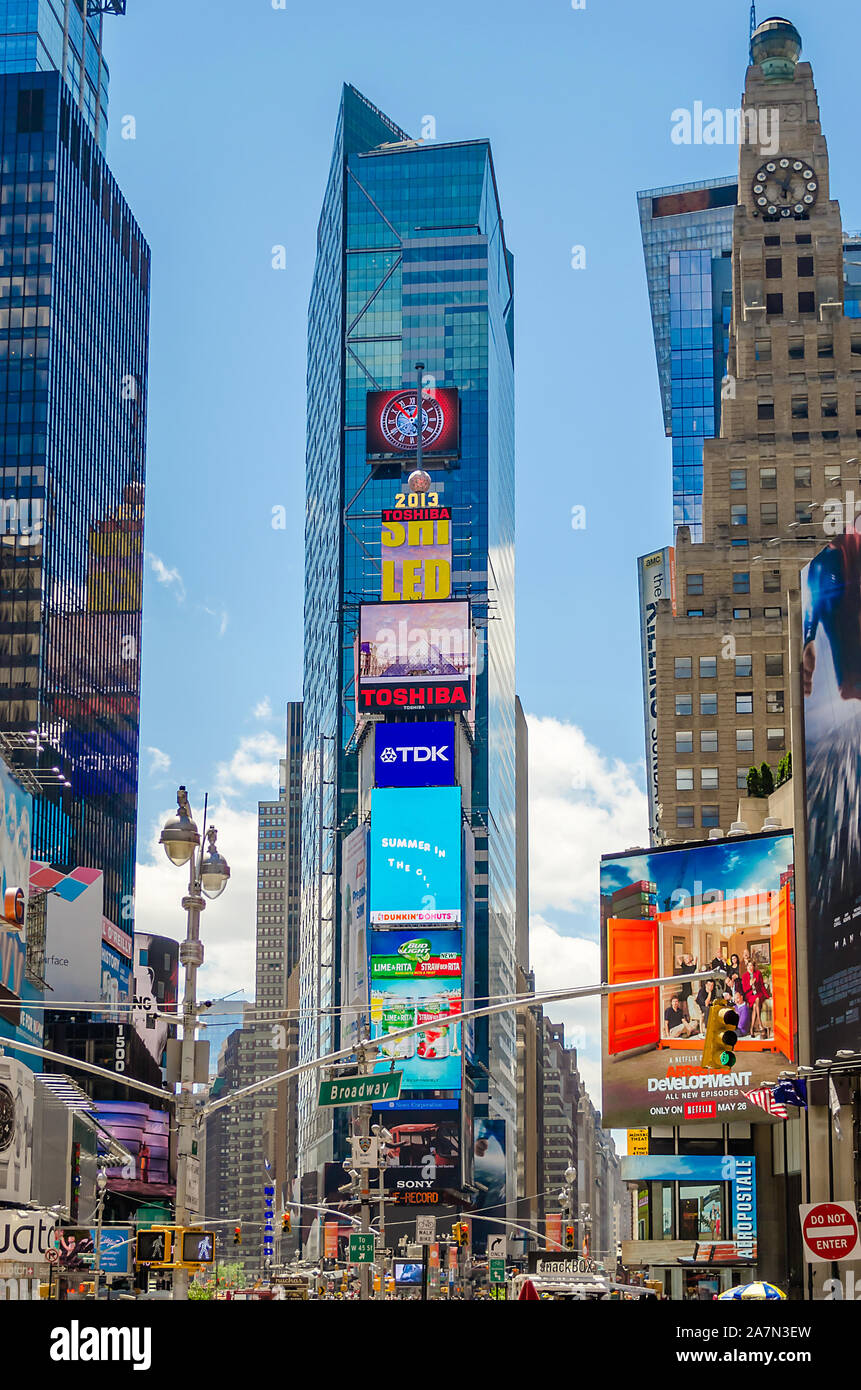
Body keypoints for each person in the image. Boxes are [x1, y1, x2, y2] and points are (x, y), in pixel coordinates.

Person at [741, 954, 770, 1037]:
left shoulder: (758, 973)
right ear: (746, 967)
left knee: (756, 1002)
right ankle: (760, 1025)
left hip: (758, 994)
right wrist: (750, 984)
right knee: (755, 1002)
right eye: (748, 966)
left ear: (753, 967)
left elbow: (762, 986)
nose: (750, 967)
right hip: (750, 995)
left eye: (751, 966)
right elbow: (745, 990)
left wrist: (767, 996)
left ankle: (752, 1028)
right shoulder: (744, 976)